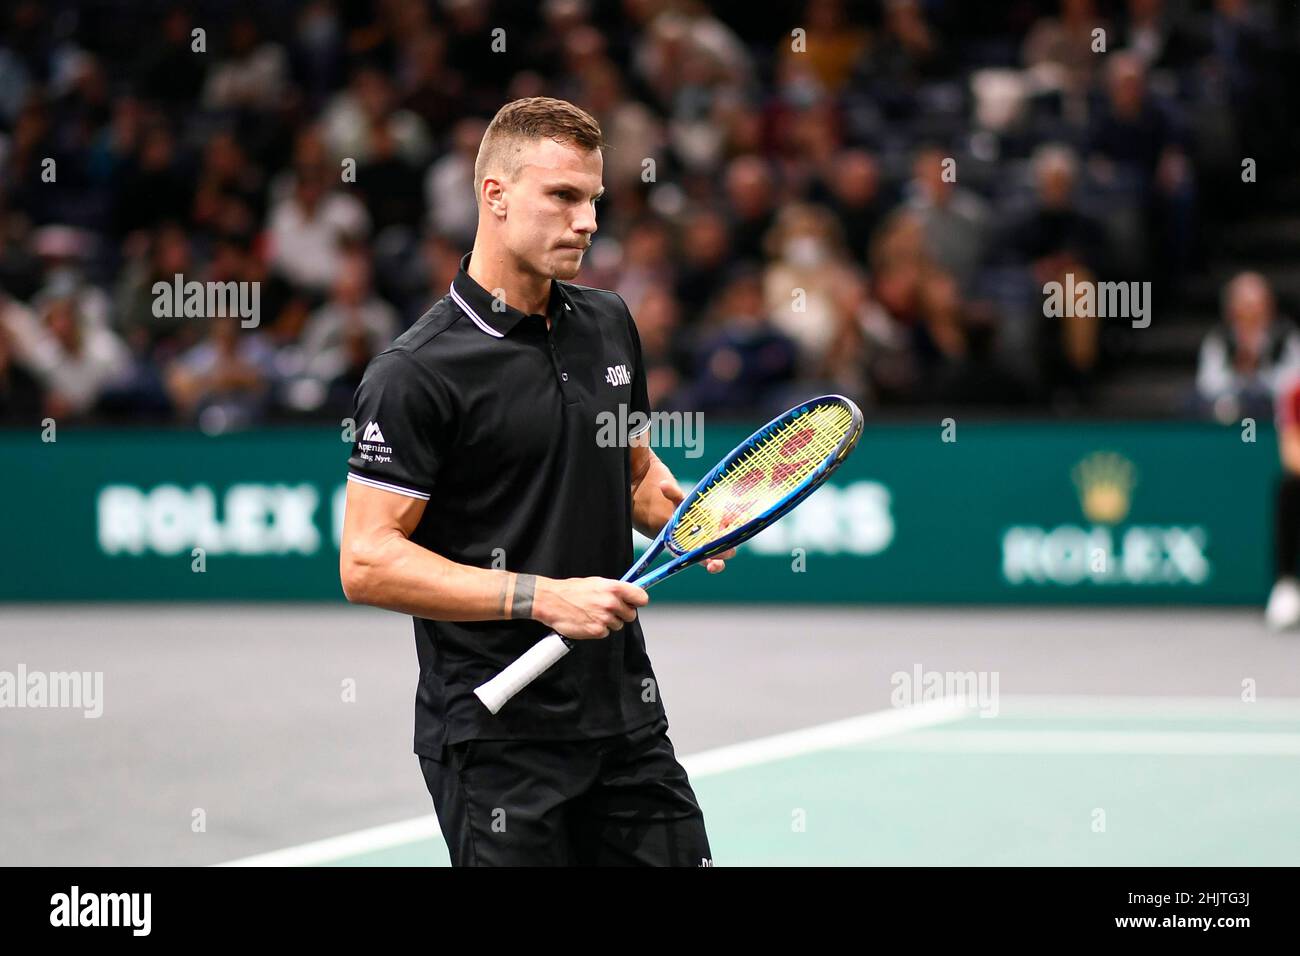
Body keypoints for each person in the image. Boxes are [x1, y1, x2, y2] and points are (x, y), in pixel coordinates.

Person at [339, 97, 729, 866]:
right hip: (498, 736)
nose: (586, 221)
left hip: (625, 719)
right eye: (563, 196)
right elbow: (367, 560)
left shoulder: (610, 322)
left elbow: (636, 478)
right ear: (495, 196)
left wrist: (691, 515)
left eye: (593, 200)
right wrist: (542, 595)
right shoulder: (414, 374)